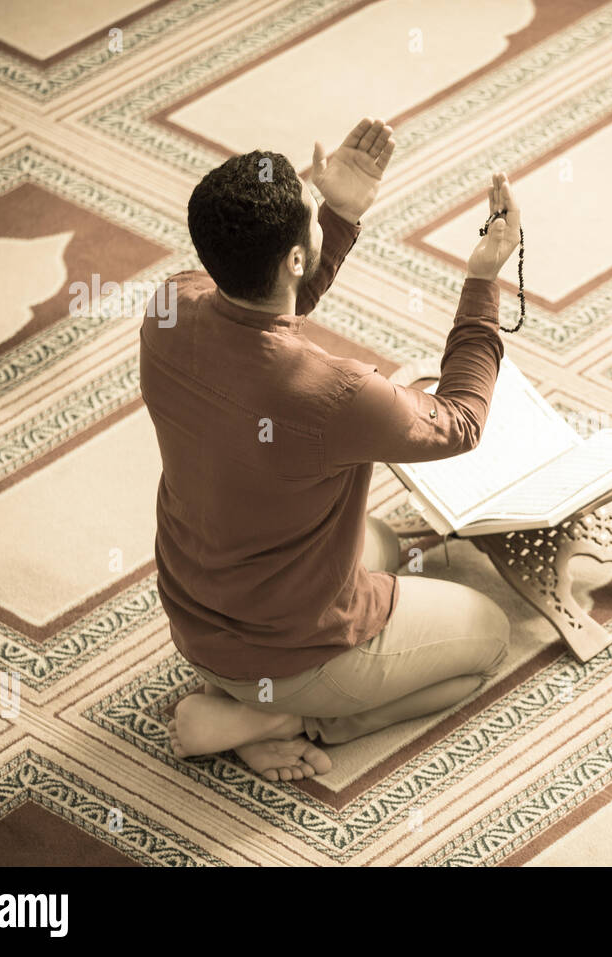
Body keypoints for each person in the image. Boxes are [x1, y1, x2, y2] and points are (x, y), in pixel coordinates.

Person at [138, 117, 523, 781]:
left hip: (194, 616)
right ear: (293, 259)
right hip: (289, 653)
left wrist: (339, 210)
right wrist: (483, 279)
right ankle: (282, 718)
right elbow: (459, 421)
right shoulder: (339, 394)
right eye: (311, 225)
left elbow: (265, 311)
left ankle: (245, 696)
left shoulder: (171, 306)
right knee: (491, 636)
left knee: (387, 543)